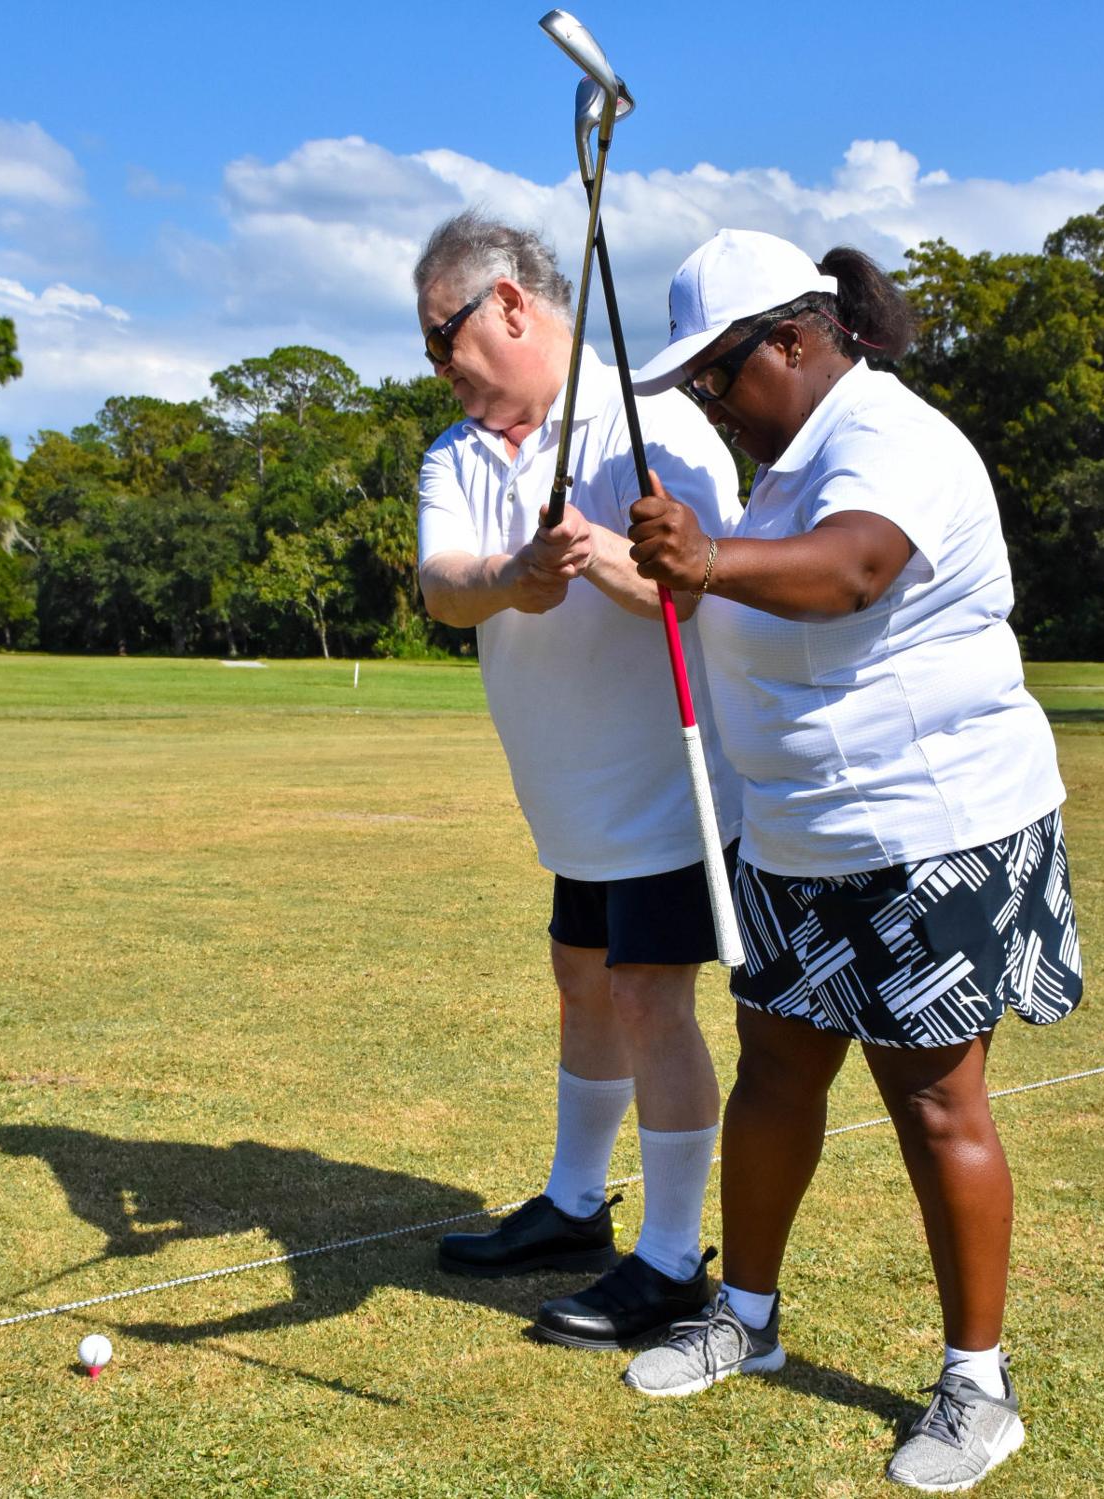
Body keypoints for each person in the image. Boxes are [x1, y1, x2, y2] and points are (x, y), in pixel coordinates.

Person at [618, 229, 1082, 1493]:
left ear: (794, 339)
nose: (710, 403)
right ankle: (747, 1315)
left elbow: (856, 569)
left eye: (718, 376)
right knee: (775, 1069)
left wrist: (709, 559)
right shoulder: (785, 466)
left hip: (928, 831)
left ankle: (979, 1386)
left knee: (936, 1103)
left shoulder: (891, 437)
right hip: (797, 836)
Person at [415, 210, 744, 1349]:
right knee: (581, 979)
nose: (437, 365)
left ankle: (669, 1258)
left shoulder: (657, 424)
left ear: (506, 304)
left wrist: (596, 551)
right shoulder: (455, 453)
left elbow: (704, 589)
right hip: (570, 795)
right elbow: (441, 587)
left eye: (438, 335)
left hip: (670, 779)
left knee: (652, 993)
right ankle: (572, 1204)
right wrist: (512, 573)